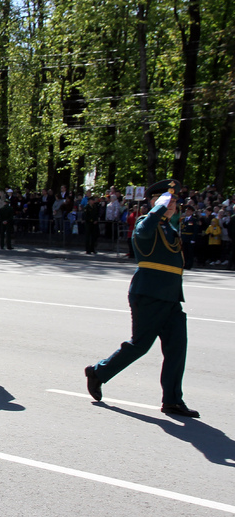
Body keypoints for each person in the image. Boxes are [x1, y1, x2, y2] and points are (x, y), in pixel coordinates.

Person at [85, 179, 200, 418]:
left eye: (175, 200)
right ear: (154, 201)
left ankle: (172, 400)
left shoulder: (170, 228)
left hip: (170, 299)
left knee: (177, 348)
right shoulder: (145, 223)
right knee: (140, 345)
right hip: (148, 296)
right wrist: (158, 208)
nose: (173, 203)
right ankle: (98, 372)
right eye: (168, 199)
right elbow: (145, 230)